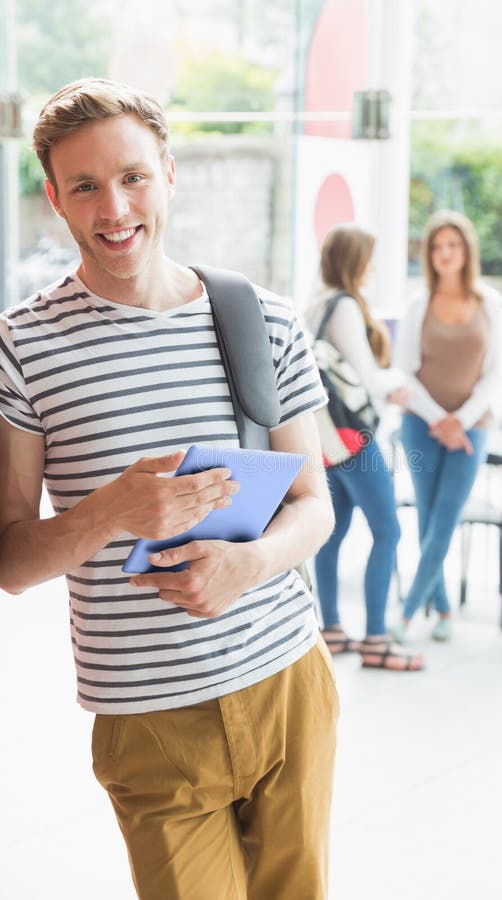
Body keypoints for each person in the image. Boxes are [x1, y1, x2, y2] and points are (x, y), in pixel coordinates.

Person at [0, 78, 338, 900]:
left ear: (170, 175)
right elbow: (9, 559)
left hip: (285, 679)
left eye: (133, 177)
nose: (113, 208)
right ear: (55, 199)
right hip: (150, 717)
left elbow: (314, 507)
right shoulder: (22, 347)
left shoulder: (263, 318)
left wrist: (246, 567)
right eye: (85, 186)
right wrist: (113, 509)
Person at [305, 224, 424, 671]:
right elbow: (370, 379)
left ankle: (331, 627)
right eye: (368, 258)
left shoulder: (314, 303)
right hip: (357, 439)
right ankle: (377, 638)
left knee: (332, 535)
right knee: (388, 532)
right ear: (355, 262)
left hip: (325, 440)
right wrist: (402, 382)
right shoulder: (346, 306)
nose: (373, 266)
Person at [391, 210, 502, 643]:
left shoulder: (489, 304)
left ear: (466, 251)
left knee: (444, 519)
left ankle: (404, 615)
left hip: (472, 429)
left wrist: (462, 421)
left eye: (452, 246)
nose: (444, 254)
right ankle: (442, 610)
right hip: (421, 425)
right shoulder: (418, 304)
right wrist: (440, 419)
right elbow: (404, 371)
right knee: (427, 516)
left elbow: (496, 376)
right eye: (437, 247)